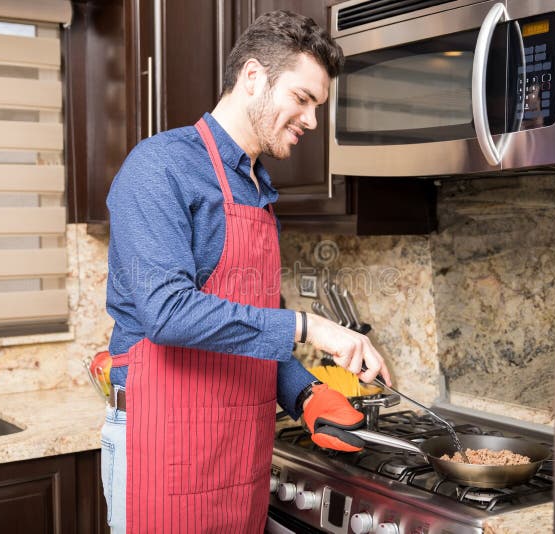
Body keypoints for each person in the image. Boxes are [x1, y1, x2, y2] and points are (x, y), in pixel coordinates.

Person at [101, 10, 393, 533]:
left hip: (238, 450)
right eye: (302, 99)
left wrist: (303, 392)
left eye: (317, 107)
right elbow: (169, 313)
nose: (311, 120)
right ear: (253, 77)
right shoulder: (158, 167)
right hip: (161, 443)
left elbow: (244, 325)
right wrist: (310, 327)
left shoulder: (256, 191)